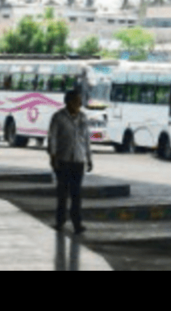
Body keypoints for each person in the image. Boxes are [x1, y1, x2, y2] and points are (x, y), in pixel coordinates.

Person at [48, 89, 94, 235]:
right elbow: (52, 138)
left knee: (76, 194)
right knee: (62, 193)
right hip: (63, 160)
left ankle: (77, 223)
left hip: (78, 160)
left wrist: (89, 158)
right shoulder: (58, 117)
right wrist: (53, 156)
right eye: (76, 101)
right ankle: (60, 221)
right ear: (68, 102)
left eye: (80, 101)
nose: (79, 104)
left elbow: (86, 140)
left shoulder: (83, 118)